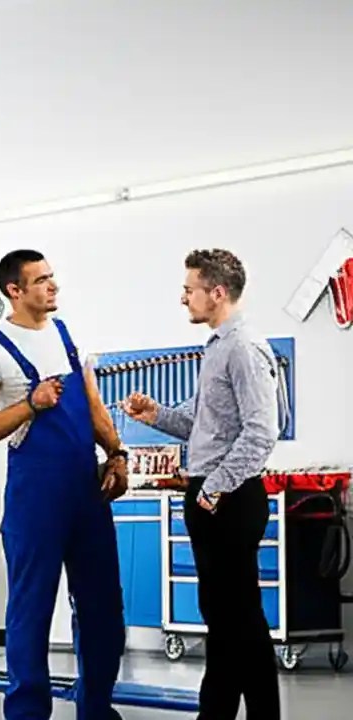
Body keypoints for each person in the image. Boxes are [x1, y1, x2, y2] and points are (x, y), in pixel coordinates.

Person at [0, 249, 129, 720]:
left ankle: (96, 708)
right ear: (14, 291)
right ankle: (27, 713)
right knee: (31, 611)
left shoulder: (63, 335)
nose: (52, 286)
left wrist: (115, 452)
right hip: (36, 497)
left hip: (86, 491)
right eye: (40, 280)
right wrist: (31, 405)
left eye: (52, 277)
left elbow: (93, 405)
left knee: (103, 609)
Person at [124, 248, 280, 720]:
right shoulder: (217, 347)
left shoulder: (243, 349)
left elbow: (261, 432)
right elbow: (201, 423)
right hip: (213, 494)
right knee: (229, 619)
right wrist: (155, 415)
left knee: (237, 619)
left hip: (227, 498)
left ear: (216, 292)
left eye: (189, 289)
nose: (183, 298)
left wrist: (216, 487)